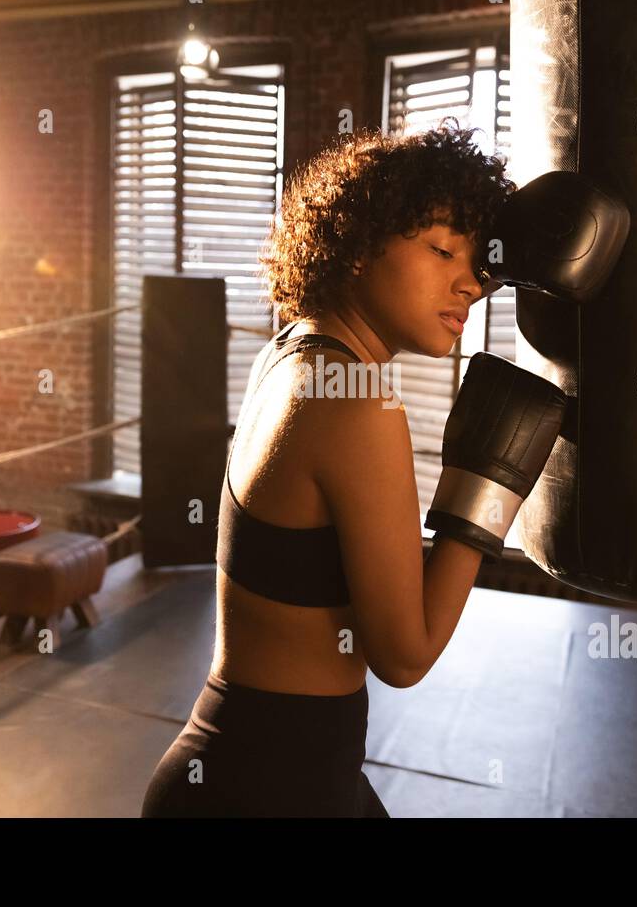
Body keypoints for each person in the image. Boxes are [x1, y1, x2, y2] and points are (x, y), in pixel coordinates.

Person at [140, 120, 558, 817]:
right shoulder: (358, 402)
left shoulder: (294, 351)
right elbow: (404, 655)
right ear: (361, 244)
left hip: (267, 763)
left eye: (477, 262)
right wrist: (491, 483)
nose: (470, 284)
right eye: (441, 249)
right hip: (265, 790)